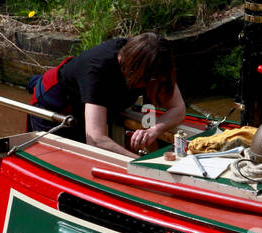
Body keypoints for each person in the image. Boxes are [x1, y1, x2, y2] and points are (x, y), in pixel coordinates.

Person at [26, 33, 186, 158]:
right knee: (70, 162)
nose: (153, 85)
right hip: (57, 106)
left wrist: (154, 130)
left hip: (94, 104)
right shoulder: (98, 70)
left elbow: (178, 109)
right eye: (149, 81)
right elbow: (96, 140)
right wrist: (140, 163)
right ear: (134, 72)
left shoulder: (153, 59)